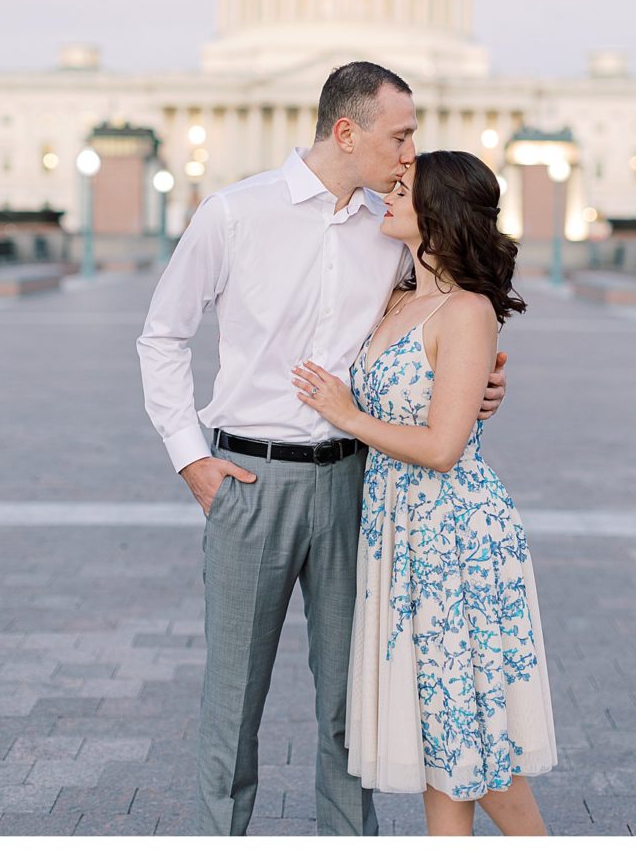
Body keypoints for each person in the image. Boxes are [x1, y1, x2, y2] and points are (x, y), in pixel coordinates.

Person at [137, 61, 508, 836]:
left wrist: (481, 390)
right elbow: (163, 335)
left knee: (350, 705)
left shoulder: (392, 229)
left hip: (356, 485)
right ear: (348, 131)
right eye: (401, 135)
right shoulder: (234, 213)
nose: (412, 153)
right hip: (250, 479)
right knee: (233, 700)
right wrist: (189, 457)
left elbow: (447, 322)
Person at [293, 150, 555, 836]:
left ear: (437, 213)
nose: (388, 195)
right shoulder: (396, 298)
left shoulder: (467, 311)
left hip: (453, 537)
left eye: (402, 190)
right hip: (396, 529)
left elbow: (442, 448)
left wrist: (349, 415)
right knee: (448, 745)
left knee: (467, 737)